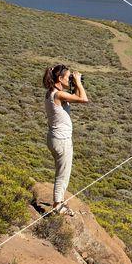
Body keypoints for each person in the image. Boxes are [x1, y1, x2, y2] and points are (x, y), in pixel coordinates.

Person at [42, 64, 88, 216]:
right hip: (62, 140)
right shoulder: (59, 95)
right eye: (68, 77)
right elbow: (84, 99)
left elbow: (76, 98)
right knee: (63, 174)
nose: (70, 79)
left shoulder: (52, 92)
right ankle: (58, 205)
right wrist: (78, 82)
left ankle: (59, 201)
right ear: (60, 79)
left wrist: (75, 84)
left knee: (60, 171)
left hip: (53, 138)